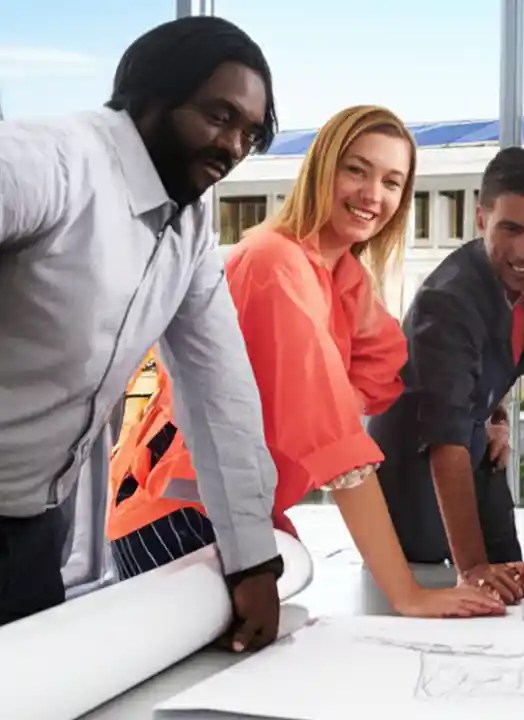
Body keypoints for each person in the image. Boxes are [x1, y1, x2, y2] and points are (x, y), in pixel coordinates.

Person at [106, 106, 505, 619]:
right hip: (175, 515)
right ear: (322, 170)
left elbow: (378, 374)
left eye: (391, 182)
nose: (372, 194)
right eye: (356, 170)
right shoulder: (277, 264)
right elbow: (338, 444)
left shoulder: (340, 278)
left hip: (230, 515)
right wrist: (407, 594)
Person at [0, 17, 283, 647]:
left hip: (33, 529)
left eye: (249, 133)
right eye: (218, 116)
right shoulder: (54, 159)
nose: (233, 146)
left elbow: (219, 393)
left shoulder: (189, 225)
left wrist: (253, 560)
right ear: (152, 95)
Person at [369, 147, 524, 605]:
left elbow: (497, 362)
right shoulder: (448, 301)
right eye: (510, 229)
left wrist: (496, 417)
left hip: (475, 449)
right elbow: (444, 443)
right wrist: (471, 568)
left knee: (516, 585)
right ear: (480, 219)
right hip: (416, 469)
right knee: (453, 594)